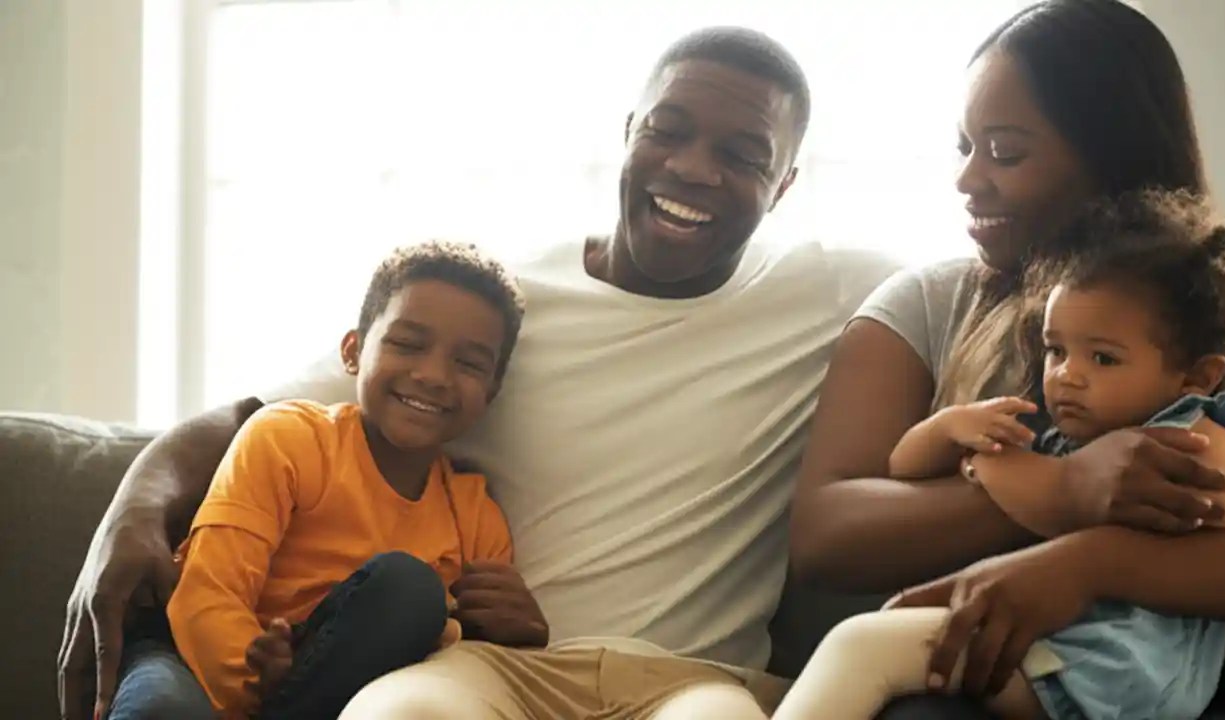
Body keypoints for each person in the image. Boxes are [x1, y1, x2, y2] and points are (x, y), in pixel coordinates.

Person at [58, 27, 909, 720]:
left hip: (695, 681)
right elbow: (259, 415)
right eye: (668, 130)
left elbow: (988, 293)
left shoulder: (830, 293)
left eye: (744, 154)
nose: (693, 168)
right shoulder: (494, 312)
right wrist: (129, 510)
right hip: (492, 675)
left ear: (786, 182)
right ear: (628, 132)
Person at [790, 0, 1225, 717]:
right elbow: (827, 534)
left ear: (1111, 150)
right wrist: (1068, 489)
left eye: (1006, 152)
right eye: (964, 146)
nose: (967, 179)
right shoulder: (928, 306)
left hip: (1198, 685)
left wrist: (1091, 561)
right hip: (986, 675)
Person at [107, 242, 525, 720]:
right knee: (162, 711)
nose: (432, 375)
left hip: (335, 695)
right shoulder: (288, 438)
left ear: (491, 392)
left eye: (469, 364)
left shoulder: (475, 518)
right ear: (353, 351)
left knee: (409, 588)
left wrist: (518, 638)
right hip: (188, 653)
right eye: (407, 344)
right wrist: (258, 683)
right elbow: (207, 590)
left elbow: (463, 670)